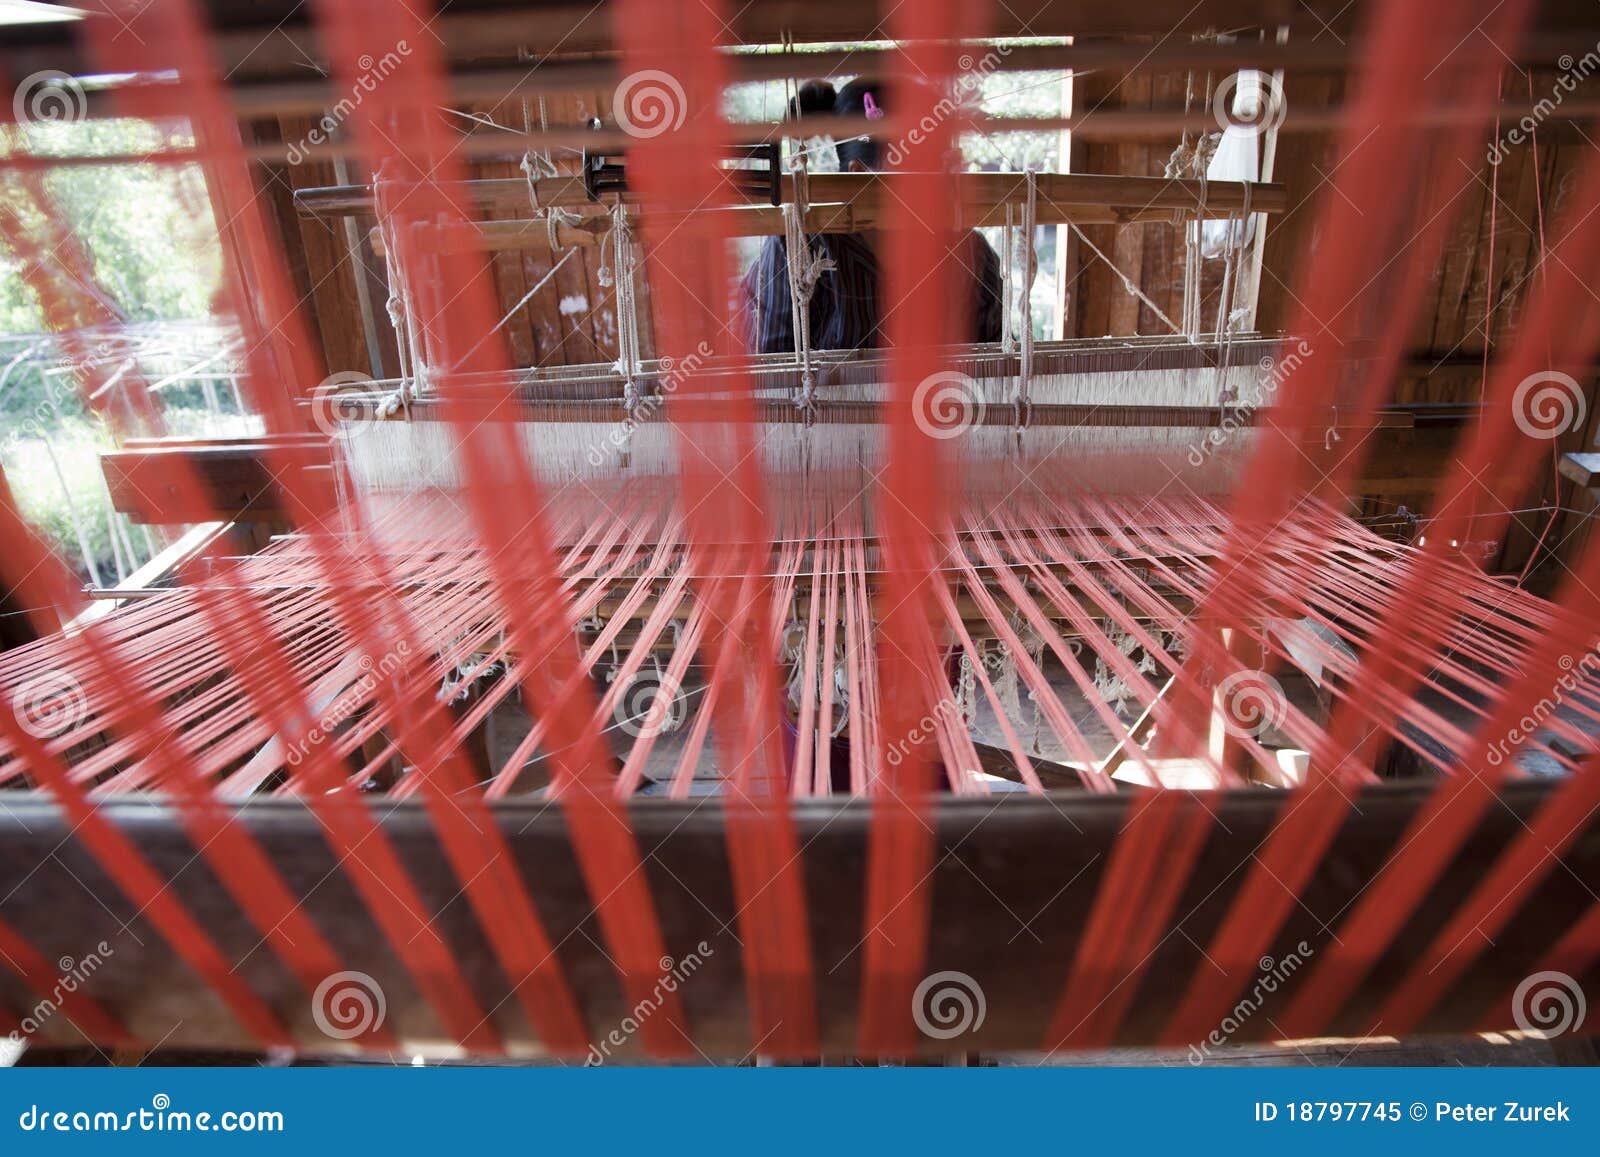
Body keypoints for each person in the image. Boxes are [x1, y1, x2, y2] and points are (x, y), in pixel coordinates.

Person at [741, 78, 1004, 355]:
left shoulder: (971, 256)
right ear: (860, 176)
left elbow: (1003, 369)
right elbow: (767, 380)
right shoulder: (802, 251)